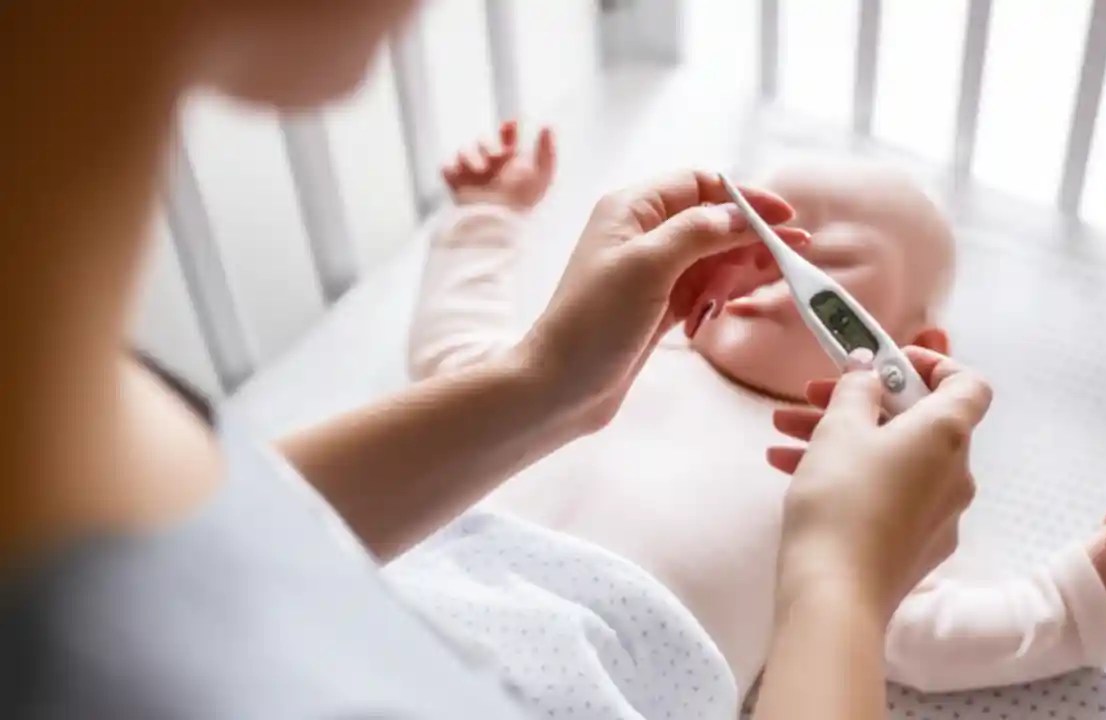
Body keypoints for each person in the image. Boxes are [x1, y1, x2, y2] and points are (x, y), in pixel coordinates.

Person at [0, 1, 991, 719]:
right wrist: (839, 591)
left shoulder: (97, 440)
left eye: (827, 263)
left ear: (915, 344)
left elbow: (259, 531)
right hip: (429, 588)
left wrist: (543, 381)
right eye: (767, 242)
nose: (777, 273)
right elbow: (457, 347)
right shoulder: (803, 470)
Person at [408, 125, 1106, 705]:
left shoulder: (866, 479)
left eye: (823, 264)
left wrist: (1076, 605)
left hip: (602, 677)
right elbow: (464, 364)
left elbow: (912, 629)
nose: (760, 274)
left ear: (912, 347)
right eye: (742, 249)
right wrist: (486, 215)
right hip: (412, 596)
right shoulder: (612, 355)